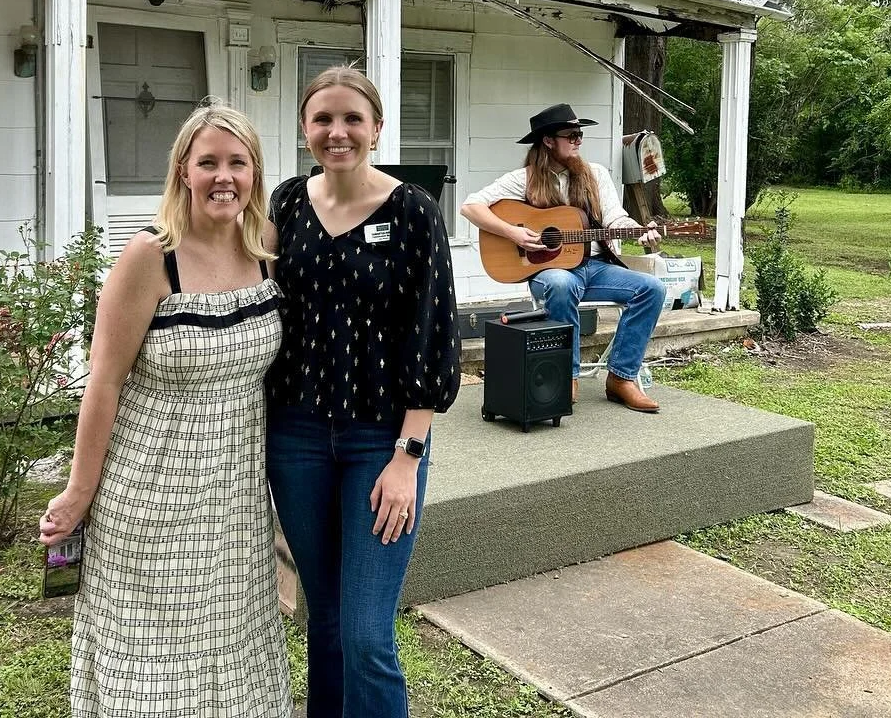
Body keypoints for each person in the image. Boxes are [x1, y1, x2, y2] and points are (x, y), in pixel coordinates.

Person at [39, 102, 291, 718]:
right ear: (183, 170)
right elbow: (103, 382)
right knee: (152, 658)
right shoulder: (151, 258)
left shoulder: (268, 250)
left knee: (234, 651)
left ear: (256, 173)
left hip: (237, 497)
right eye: (208, 162)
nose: (223, 176)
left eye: (238, 162)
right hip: (152, 491)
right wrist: (77, 493)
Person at [266, 65, 460, 718]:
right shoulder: (288, 203)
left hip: (380, 442)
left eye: (353, 118)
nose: (337, 131)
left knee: (366, 631)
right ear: (304, 128)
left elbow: (433, 340)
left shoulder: (414, 213)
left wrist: (408, 457)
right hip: (295, 437)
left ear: (378, 128)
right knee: (322, 617)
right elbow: (251, 293)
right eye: (323, 119)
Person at [460, 103, 666, 413]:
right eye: (571, 135)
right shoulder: (524, 179)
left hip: (595, 268)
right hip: (548, 272)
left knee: (652, 288)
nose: (578, 140)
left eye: (580, 134)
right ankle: (565, 376)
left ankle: (621, 378)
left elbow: (615, 219)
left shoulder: (595, 175)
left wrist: (638, 231)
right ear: (547, 141)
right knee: (560, 282)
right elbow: (471, 207)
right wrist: (513, 233)